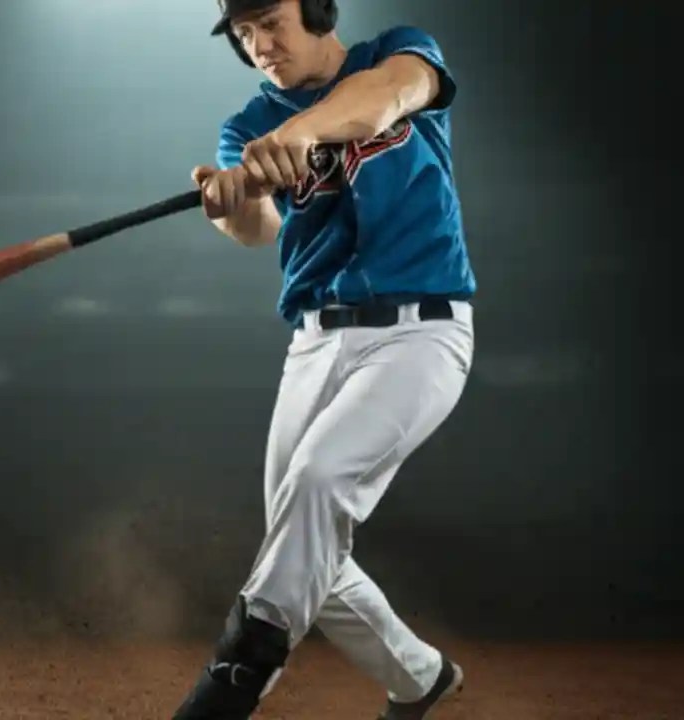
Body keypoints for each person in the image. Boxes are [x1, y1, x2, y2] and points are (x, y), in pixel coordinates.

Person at [172, 1, 477, 718]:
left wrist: (298, 133)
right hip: (315, 341)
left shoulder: (401, 52)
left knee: (317, 484)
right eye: (243, 34)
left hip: (420, 330)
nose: (259, 45)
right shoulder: (245, 128)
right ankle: (420, 677)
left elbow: (382, 103)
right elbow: (255, 229)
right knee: (306, 539)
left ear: (316, 7)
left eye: (270, 20)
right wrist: (231, 199)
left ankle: (238, 670)